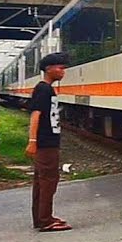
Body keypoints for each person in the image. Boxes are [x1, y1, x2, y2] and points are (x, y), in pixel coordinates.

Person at [27, 52, 71, 232]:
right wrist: (32, 140)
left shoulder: (46, 88)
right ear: (48, 69)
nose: (63, 72)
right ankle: (45, 220)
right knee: (48, 181)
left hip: (48, 142)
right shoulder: (43, 89)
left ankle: (42, 217)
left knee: (42, 181)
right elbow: (36, 114)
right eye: (60, 68)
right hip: (46, 143)